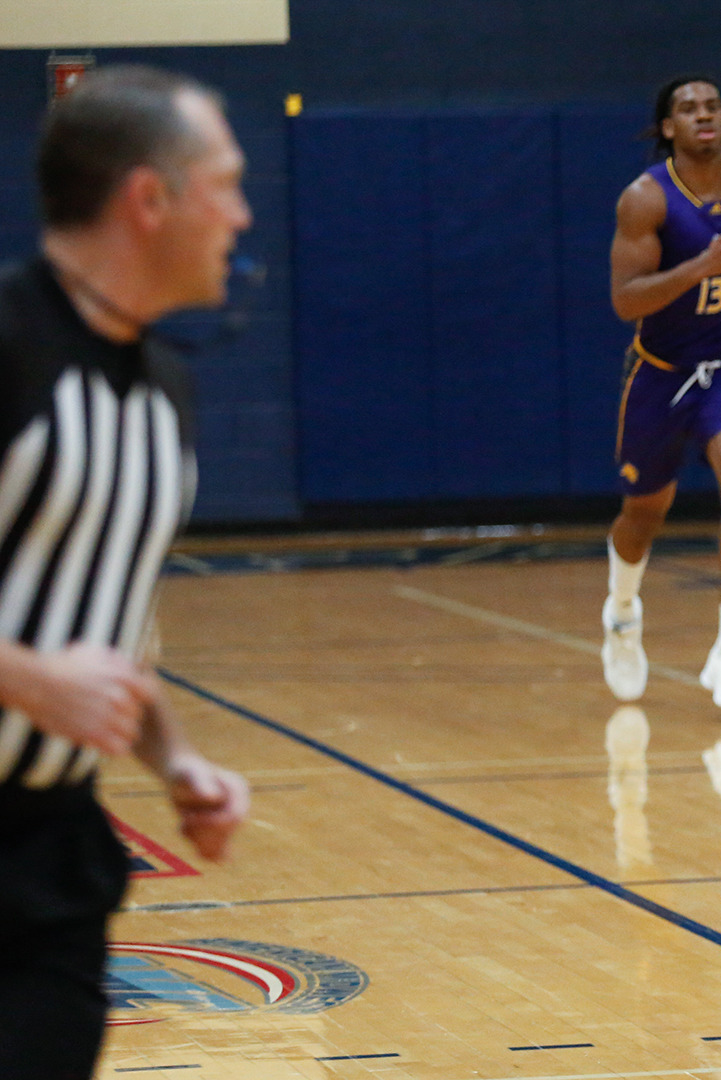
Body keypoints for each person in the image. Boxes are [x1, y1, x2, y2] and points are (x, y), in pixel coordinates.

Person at [0, 65, 251, 1079]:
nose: (240, 215)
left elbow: (108, 627)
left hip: (47, 855)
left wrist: (174, 758)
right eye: (224, 184)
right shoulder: (9, 346)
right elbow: (49, 666)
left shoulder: (165, 394)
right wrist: (26, 680)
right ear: (150, 199)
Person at [603, 75, 721, 713]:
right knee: (644, 512)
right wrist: (700, 267)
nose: (703, 114)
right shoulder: (645, 199)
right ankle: (622, 609)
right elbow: (626, 301)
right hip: (660, 371)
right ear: (668, 128)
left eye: (712, 105)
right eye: (688, 108)